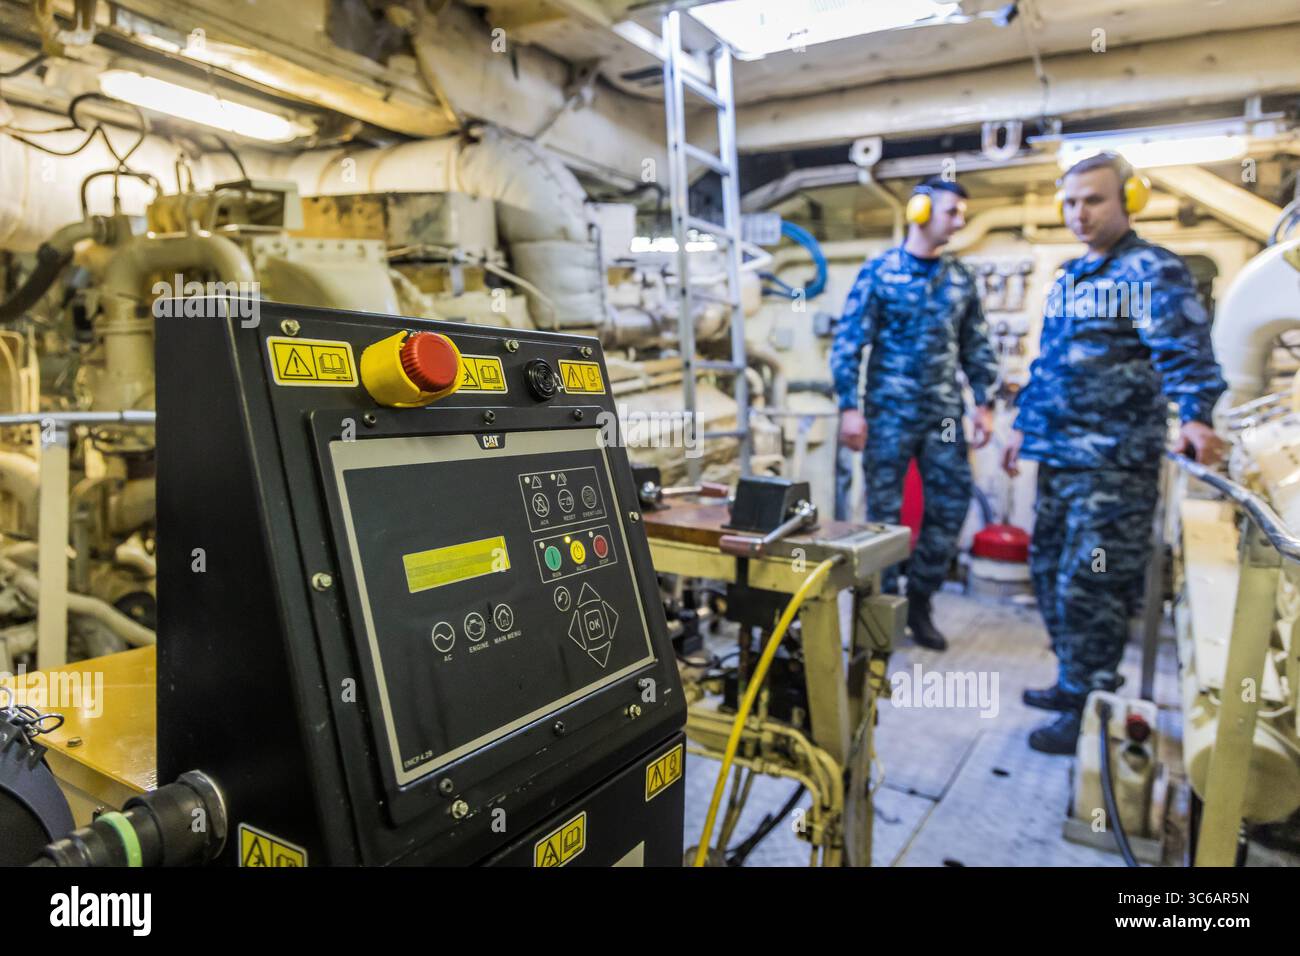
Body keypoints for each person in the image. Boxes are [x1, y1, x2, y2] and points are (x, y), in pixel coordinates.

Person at [1003, 151, 1227, 754]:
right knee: (1050, 575)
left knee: (1092, 585)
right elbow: (1048, 368)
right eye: (1071, 202)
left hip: (1114, 465)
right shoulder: (1071, 277)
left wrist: (1198, 417)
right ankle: (1072, 682)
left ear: (1128, 200)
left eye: (1093, 199)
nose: (1079, 213)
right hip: (1059, 459)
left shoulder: (1153, 271)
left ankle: (1090, 705)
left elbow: (1184, 351)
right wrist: (1023, 428)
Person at [831, 177, 998, 650]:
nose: (960, 221)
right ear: (921, 211)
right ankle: (878, 614)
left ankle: (920, 601)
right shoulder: (880, 272)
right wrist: (849, 406)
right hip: (887, 412)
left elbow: (976, 345)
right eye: (953, 212)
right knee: (883, 518)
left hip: (944, 415)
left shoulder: (960, 277)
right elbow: (849, 342)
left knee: (949, 507)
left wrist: (983, 404)